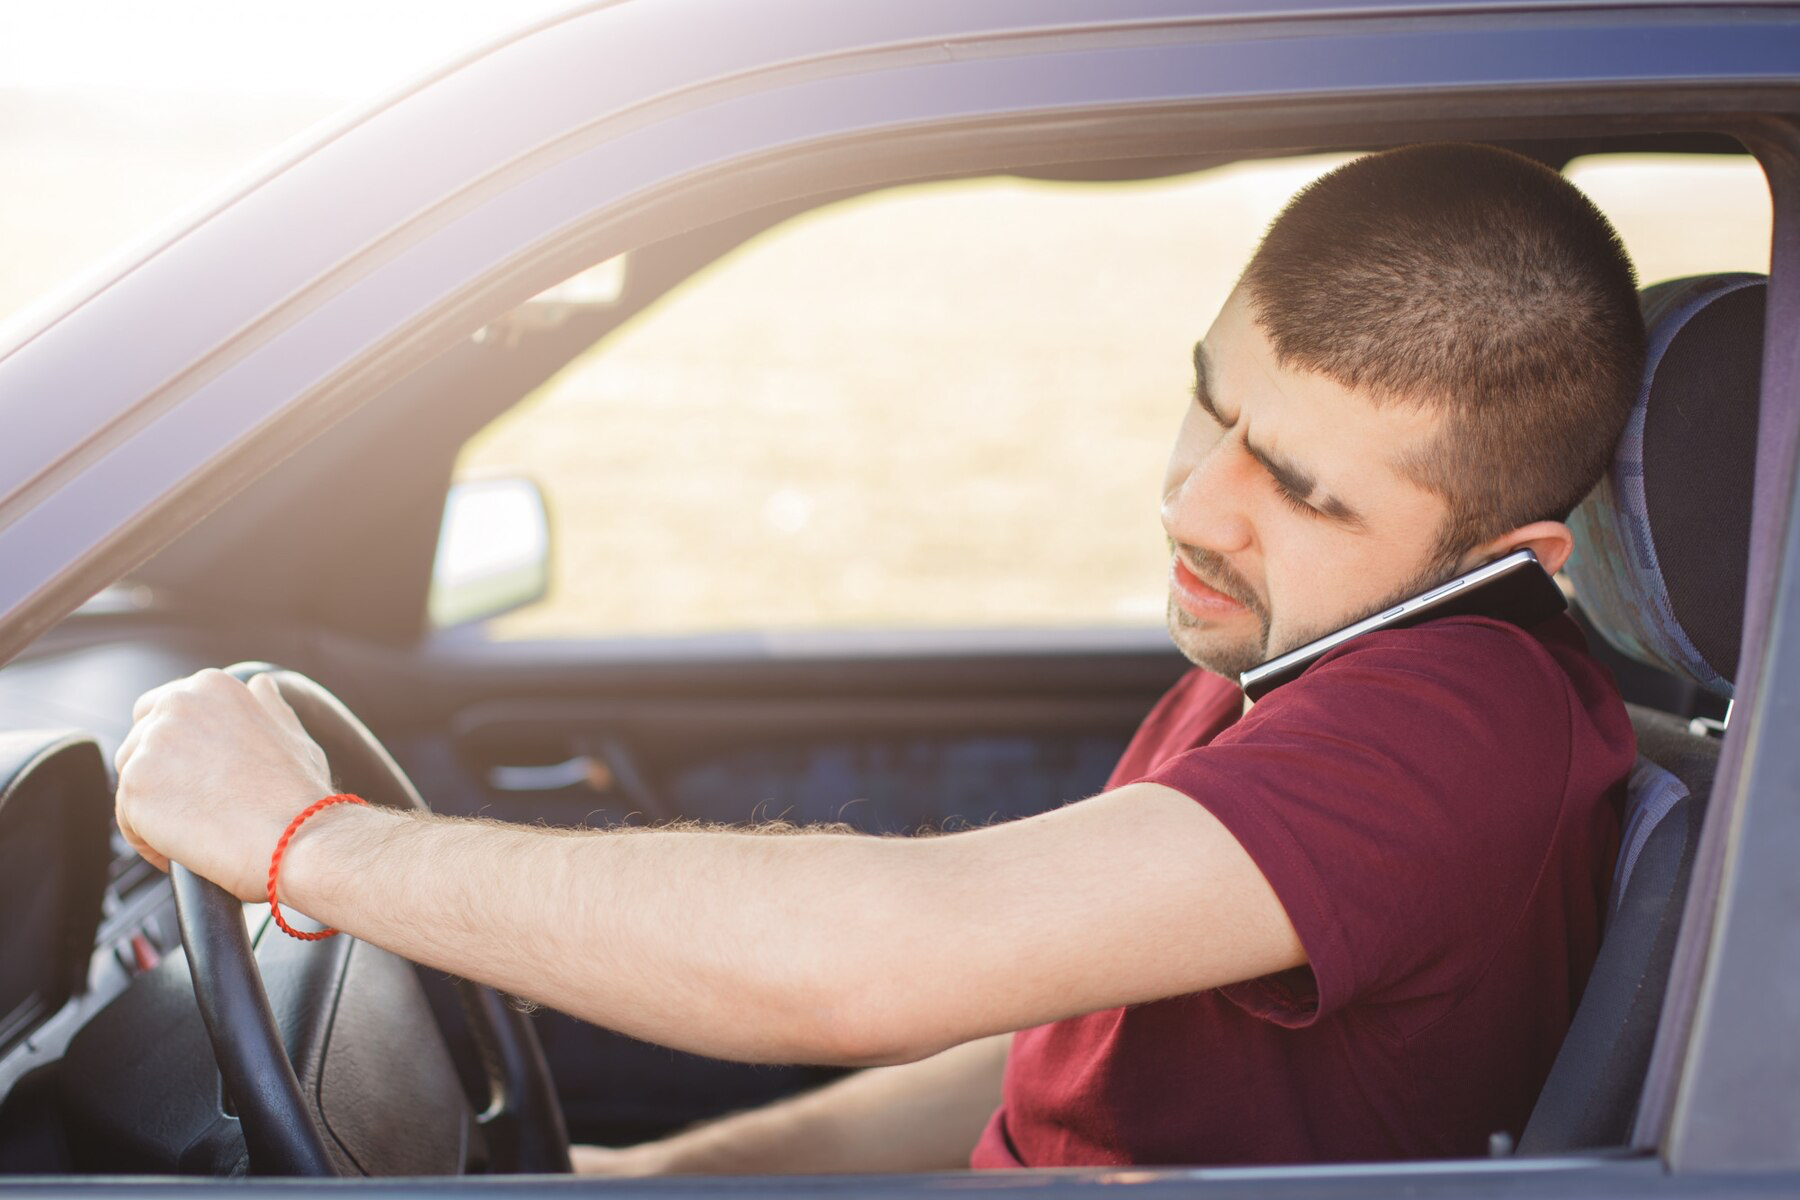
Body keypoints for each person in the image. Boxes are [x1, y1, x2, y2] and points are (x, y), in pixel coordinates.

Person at [112, 142, 1644, 1171]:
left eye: (1302, 489)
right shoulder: (1293, 648)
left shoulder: (1464, 719)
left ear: (1505, 560)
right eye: (1210, 406)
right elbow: (1046, 1062)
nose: (1193, 502)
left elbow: (878, 961)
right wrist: (636, 1180)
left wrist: (305, 842)